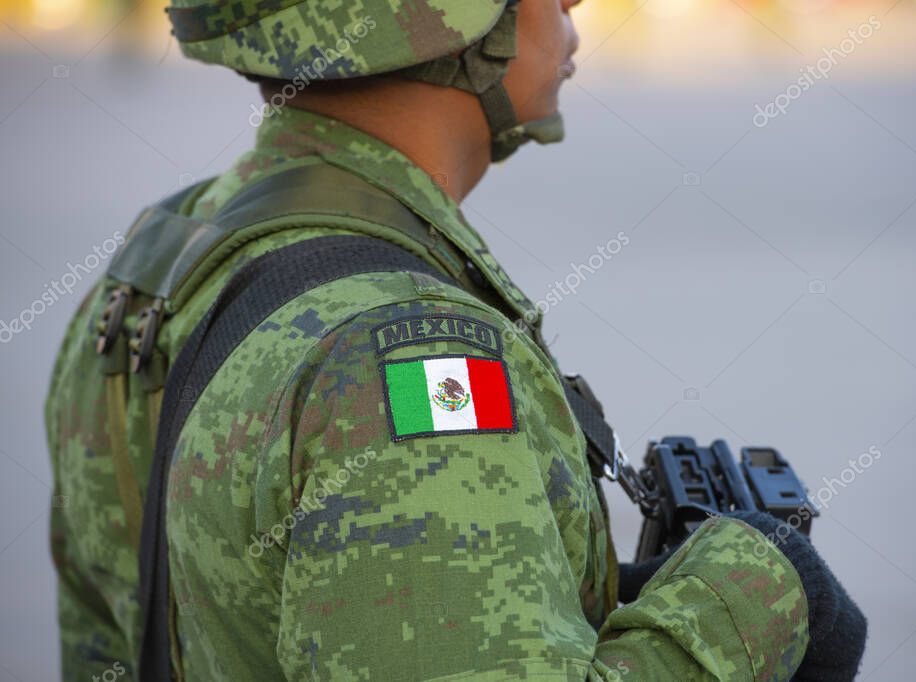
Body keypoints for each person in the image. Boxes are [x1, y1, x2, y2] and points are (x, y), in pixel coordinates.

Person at [45, 0, 866, 679]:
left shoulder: (156, 266)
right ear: (446, 20)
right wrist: (760, 586)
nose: (573, 3)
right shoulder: (414, 361)